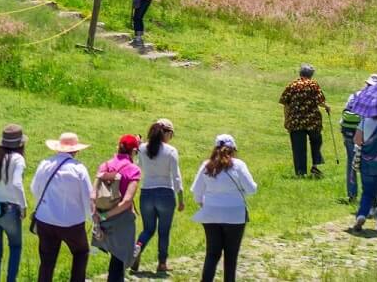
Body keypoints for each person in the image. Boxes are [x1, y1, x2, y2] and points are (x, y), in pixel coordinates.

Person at [191, 134, 256, 282]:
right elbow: (251, 189)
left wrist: (205, 205)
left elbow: (197, 192)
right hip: (235, 214)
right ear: (233, 149)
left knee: (212, 253)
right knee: (231, 256)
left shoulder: (207, 165)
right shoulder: (238, 165)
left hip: (210, 214)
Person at [31, 132, 94, 282]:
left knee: (47, 260)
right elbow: (88, 196)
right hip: (71, 221)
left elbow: (35, 188)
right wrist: (92, 218)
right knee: (81, 252)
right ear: (76, 150)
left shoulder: (45, 164)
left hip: (45, 219)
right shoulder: (79, 169)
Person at [133, 118, 183, 275]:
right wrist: (181, 199)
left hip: (146, 192)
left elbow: (137, 168)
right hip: (165, 194)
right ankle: (162, 263)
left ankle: (138, 247)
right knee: (164, 231)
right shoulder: (171, 151)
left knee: (148, 229)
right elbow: (176, 177)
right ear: (166, 133)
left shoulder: (142, 148)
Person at [0, 124, 28, 282]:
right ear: (20, 144)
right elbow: (17, 184)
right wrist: (23, 206)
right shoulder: (18, 159)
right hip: (9, 209)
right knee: (15, 247)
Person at [94, 134, 142, 282]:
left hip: (102, 218)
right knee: (118, 262)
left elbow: (93, 194)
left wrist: (97, 216)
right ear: (134, 151)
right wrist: (106, 216)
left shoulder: (105, 165)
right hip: (122, 220)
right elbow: (127, 201)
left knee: (115, 261)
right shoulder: (133, 169)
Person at [279, 63, 330, 177]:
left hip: (295, 122)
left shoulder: (292, 85)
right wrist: (327, 107)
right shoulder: (313, 85)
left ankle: (300, 172)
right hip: (312, 121)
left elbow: (286, 104)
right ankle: (315, 167)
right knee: (316, 142)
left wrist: (286, 120)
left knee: (298, 147)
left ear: (300, 73)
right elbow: (320, 101)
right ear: (311, 75)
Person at [341, 74, 377, 203]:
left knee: (351, 163)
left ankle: (352, 194)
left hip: (348, 132)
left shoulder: (355, 95)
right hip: (366, 133)